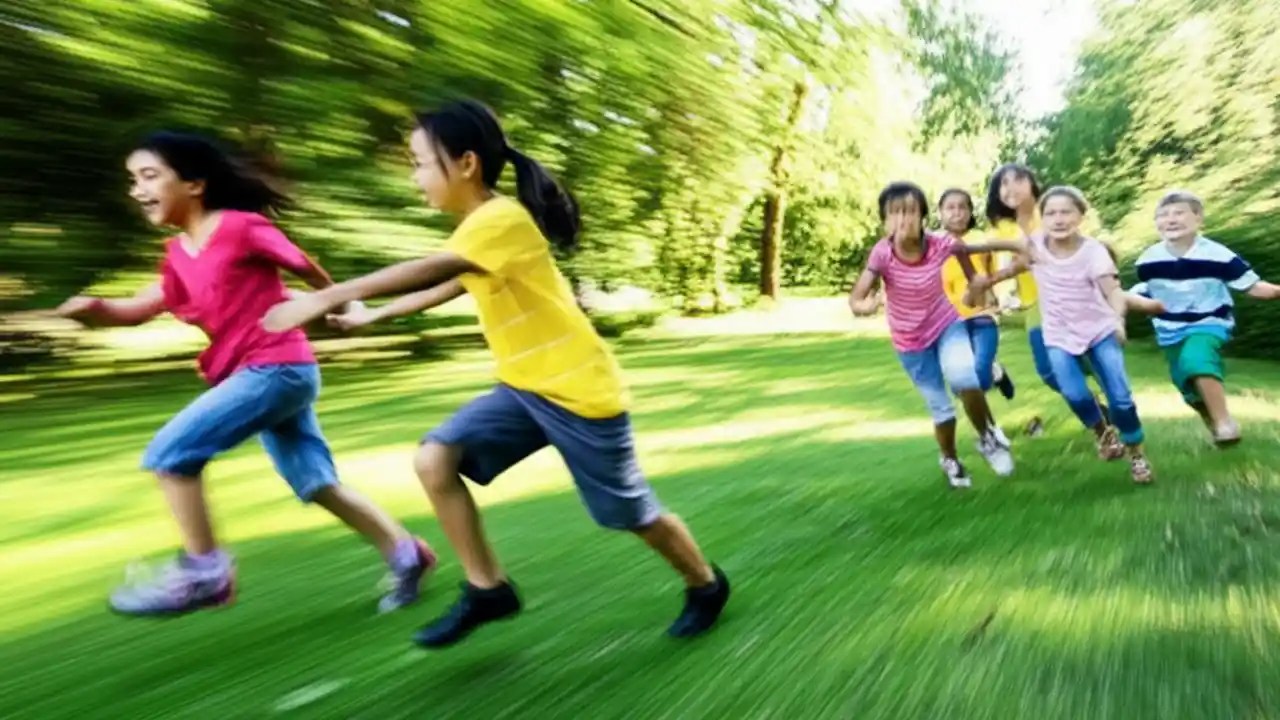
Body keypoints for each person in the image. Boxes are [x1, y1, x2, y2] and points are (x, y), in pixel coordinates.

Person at [260, 99, 730, 648]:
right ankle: (488, 588)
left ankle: (705, 583)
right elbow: (455, 282)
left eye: (419, 162)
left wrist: (332, 297)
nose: (414, 177)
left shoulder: (500, 219)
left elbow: (437, 268)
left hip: (580, 395)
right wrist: (376, 314)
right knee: (435, 458)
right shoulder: (479, 231)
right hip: (524, 389)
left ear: (465, 164)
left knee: (630, 515)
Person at [55, 131, 436, 616]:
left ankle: (206, 572)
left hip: (275, 367)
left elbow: (307, 267)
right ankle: (408, 555)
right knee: (315, 482)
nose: (137, 189)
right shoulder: (177, 257)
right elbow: (137, 310)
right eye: (133, 180)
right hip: (269, 375)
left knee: (171, 456)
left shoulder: (239, 227)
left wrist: (347, 306)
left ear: (193, 183)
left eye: (149, 176)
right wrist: (95, 309)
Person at [966, 186, 1157, 483]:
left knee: (1120, 399)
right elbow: (998, 243)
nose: (1058, 219)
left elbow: (1113, 292)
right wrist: (963, 250)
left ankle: (1137, 456)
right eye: (1051, 213)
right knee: (1074, 393)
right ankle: (1103, 433)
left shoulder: (1094, 252)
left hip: (1100, 330)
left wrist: (1119, 321)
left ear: (1080, 216)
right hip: (1058, 336)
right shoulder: (1036, 246)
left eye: (1066, 212)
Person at [848, 181, 1015, 490]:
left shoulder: (940, 244)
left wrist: (981, 287)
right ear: (885, 220)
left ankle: (987, 439)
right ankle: (950, 458)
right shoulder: (883, 253)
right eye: (894, 213)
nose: (903, 219)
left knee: (965, 377)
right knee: (942, 409)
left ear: (923, 216)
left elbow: (972, 267)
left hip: (945, 326)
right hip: (910, 342)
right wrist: (866, 306)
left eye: (910, 211)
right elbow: (857, 297)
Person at [1130, 190, 1280, 445]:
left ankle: (1225, 422)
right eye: (1164, 215)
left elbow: (1253, 286)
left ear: (1198, 219)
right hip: (1169, 330)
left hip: (1210, 322)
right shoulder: (1148, 259)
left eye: (1179, 213)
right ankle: (1211, 417)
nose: (1171, 219)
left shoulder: (1219, 255)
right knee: (1187, 387)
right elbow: (1145, 290)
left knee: (1196, 359)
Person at [937, 187, 1016, 400]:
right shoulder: (935, 245)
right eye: (950, 208)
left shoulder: (981, 239)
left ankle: (993, 372)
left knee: (979, 375)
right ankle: (987, 427)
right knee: (962, 381)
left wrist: (1000, 295)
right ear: (941, 213)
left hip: (983, 314)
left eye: (962, 207)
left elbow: (998, 269)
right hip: (952, 321)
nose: (957, 212)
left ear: (971, 212)